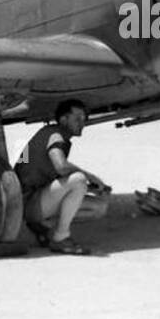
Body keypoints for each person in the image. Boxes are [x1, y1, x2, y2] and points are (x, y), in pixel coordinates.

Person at [14, 99, 109, 255]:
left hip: (30, 198)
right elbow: (61, 166)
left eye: (84, 119)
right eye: (77, 118)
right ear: (64, 119)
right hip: (27, 201)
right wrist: (90, 177)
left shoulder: (48, 133)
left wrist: (92, 186)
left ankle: (45, 228)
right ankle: (60, 238)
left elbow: (30, 164)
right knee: (78, 179)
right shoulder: (56, 136)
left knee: (99, 207)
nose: (82, 123)